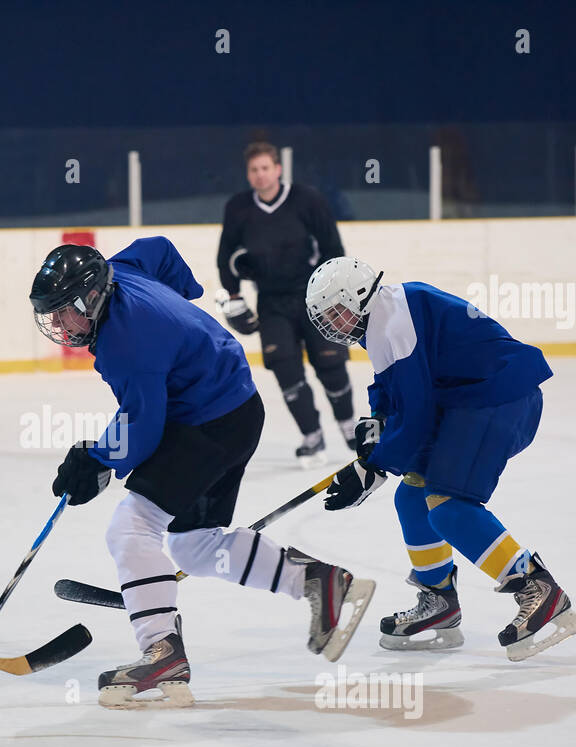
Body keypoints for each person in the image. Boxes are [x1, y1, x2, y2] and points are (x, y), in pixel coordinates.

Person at [31, 239, 374, 709]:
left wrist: (96, 459)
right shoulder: (120, 269)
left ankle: (162, 652)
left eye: (63, 312)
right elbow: (160, 250)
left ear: (90, 298)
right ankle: (318, 581)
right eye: (50, 314)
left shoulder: (124, 342)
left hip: (210, 420)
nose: (58, 324)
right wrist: (180, 309)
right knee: (193, 546)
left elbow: (143, 425)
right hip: (234, 405)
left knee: (131, 527)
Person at [306, 257, 576, 660]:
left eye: (337, 311)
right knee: (412, 498)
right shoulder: (386, 312)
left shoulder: (393, 318)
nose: (333, 324)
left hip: (498, 400)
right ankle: (440, 601)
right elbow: (394, 385)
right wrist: (377, 424)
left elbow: (417, 412)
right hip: (471, 401)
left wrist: (374, 464)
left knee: (448, 506)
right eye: (327, 317)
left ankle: (536, 588)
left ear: (356, 296)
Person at [216, 141, 357, 466]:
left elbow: (333, 247)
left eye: (266, 168)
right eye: (254, 170)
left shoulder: (308, 201)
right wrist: (233, 297)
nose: (260, 175)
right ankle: (312, 436)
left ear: (278, 169)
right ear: (248, 174)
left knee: (331, 363)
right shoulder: (238, 208)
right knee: (286, 369)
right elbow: (226, 257)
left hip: (315, 299)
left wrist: (335, 294)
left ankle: (349, 427)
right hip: (271, 303)